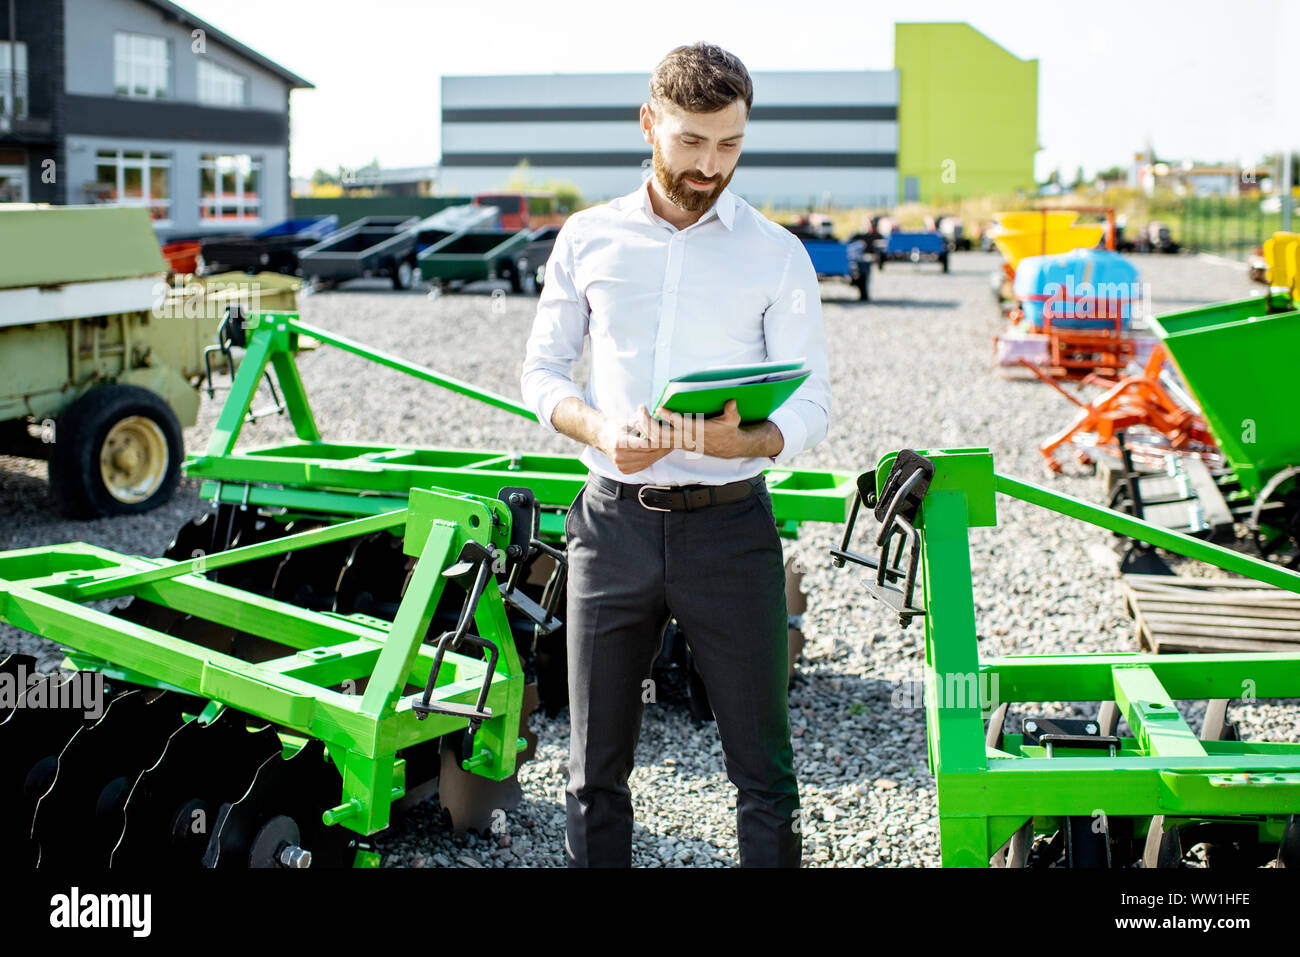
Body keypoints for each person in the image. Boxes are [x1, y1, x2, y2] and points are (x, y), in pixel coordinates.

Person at [519, 41, 831, 868]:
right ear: (649, 122)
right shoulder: (588, 238)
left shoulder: (777, 253)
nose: (711, 164)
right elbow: (541, 372)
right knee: (593, 770)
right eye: (692, 141)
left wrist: (754, 441)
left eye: (730, 144)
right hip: (609, 527)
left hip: (731, 531)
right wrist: (595, 429)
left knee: (764, 772)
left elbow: (815, 400)